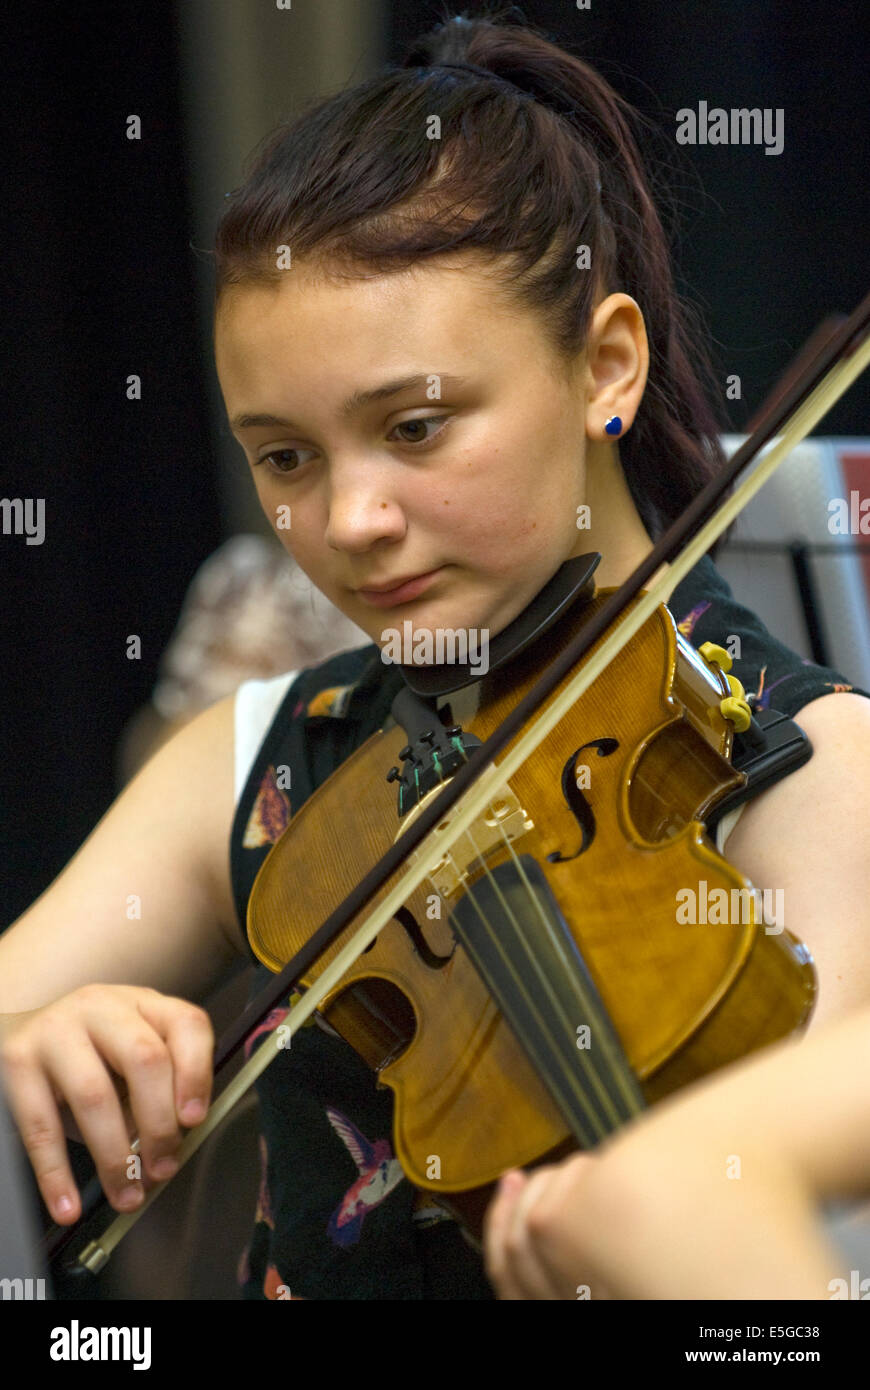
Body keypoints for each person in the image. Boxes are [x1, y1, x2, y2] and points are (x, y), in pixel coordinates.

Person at [1, 9, 869, 1301]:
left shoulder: (811, 771)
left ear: (604, 367)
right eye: (284, 456)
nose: (348, 520)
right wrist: (31, 1033)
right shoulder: (249, 761)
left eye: (413, 426)